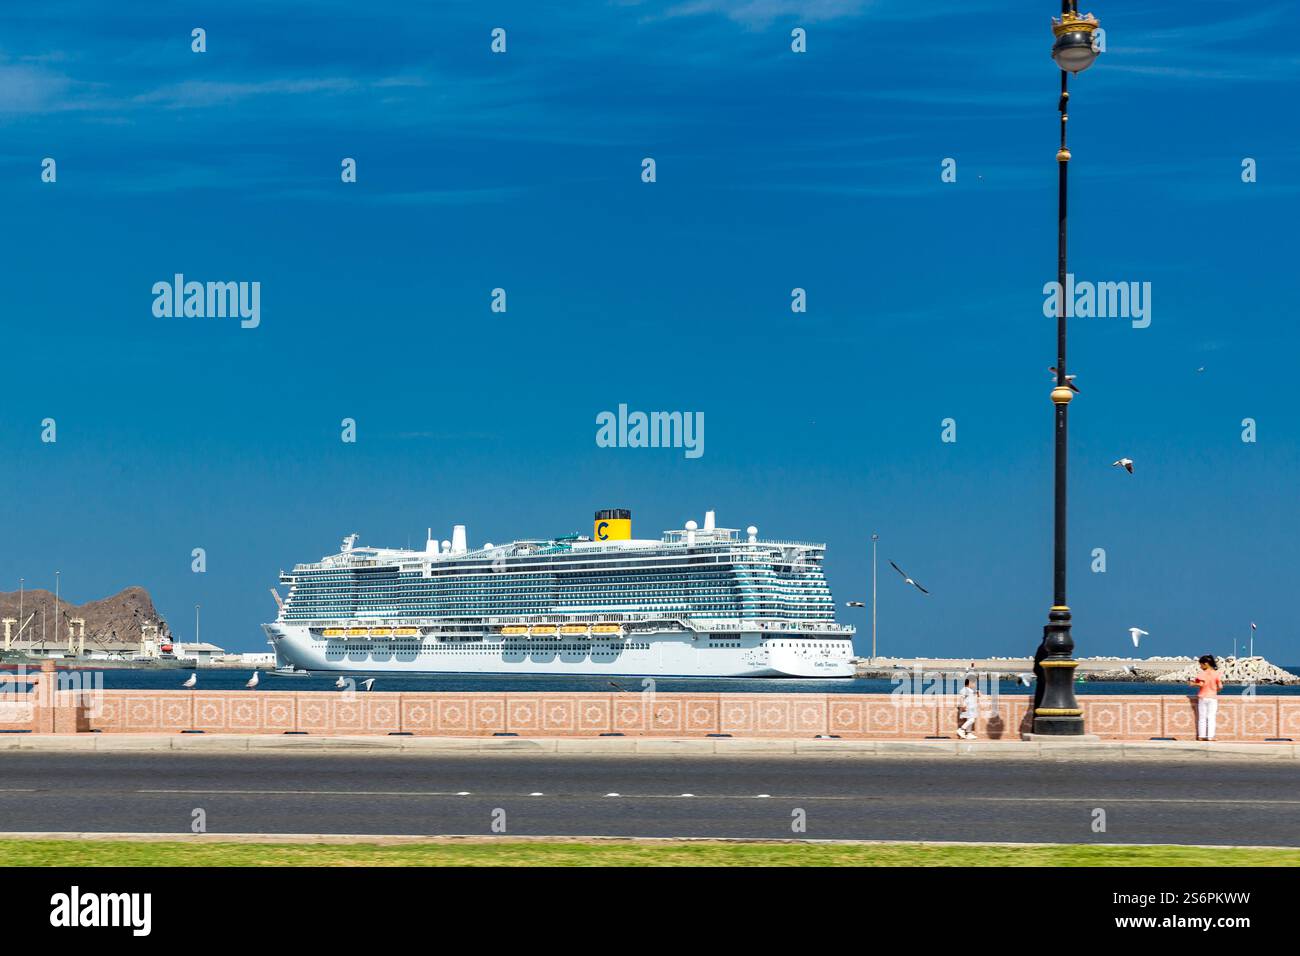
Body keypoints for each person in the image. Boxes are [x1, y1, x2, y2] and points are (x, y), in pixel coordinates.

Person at [1189, 655, 1223, 741]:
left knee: (1202, 717)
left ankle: (1201, 736)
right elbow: (1220, 686)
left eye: (1201, 664)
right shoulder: (1216, 673)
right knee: (1211, 717)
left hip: (1203, 697)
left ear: (1206, 664)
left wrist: (1193, 684)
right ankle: (1210, 737)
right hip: (1212, 697)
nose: (1200, 666)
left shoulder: (1202, 673)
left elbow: (1201, 684)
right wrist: (1214, 689)